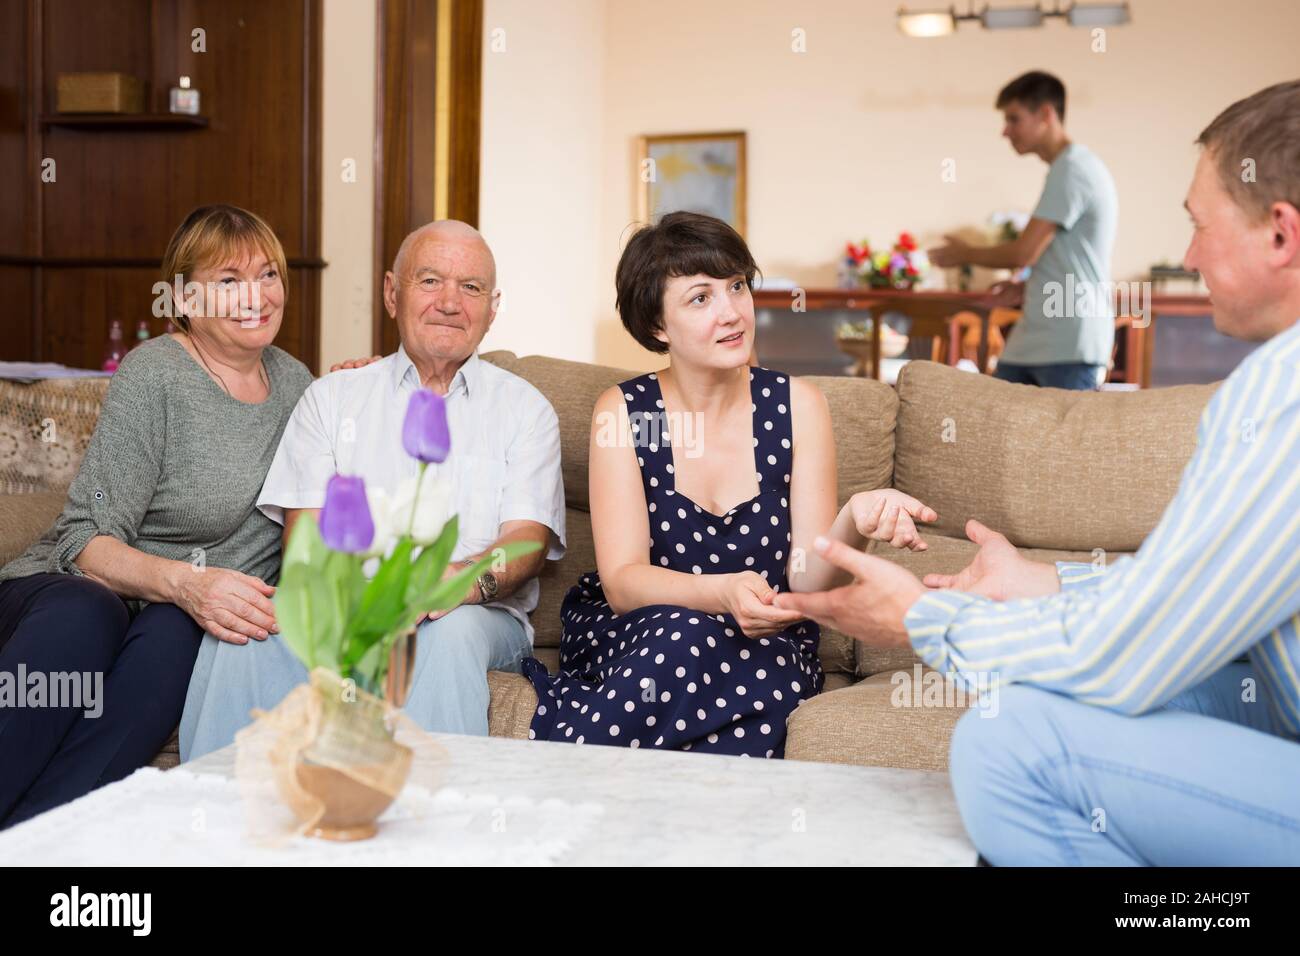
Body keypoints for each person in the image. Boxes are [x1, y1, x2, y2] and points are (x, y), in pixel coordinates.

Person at [774, 81, 1300, 865]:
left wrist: (919, 617)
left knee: (1012, 740)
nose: (1187, 257)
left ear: (1281, 235)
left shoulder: (1280, 390)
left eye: (1198, 226)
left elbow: (1130, 655)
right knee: (1052, 691)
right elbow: (1190, 597)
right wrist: (1048, 585)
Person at [522, 211, 937, 757]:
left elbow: (808, 583)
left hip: (765, 640)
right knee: (681, 638)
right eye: (701, 298)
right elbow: (623, 583)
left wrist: (854, 520)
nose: (732, 312)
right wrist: (719, 593)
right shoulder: (625, 413)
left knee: (766, 678)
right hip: (647, 632)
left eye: (737, 286)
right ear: (657, 326)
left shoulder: (799, 407)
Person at [180, 220, 566, 759]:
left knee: (442, 635)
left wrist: (454, 583)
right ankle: (221, 815)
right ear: (392, 293)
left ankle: (430, 827)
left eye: (471, 288)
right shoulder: (333, 398)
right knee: (250, 629)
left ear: (493, 307)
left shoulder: (526, 411)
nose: (450, 303)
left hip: (474, 611)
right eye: (430, 281)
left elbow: (524, 542)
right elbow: (305, 541)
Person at [0, 204, 313, 827]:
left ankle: (35, 839)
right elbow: (84, 540)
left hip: (175, 618)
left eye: (269, 273)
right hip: (76, 589)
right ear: (184, 299)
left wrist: (359, 383)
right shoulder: (156, 375)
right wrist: (189, 585)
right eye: (229, 280)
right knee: (91, 613)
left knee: (181, 635)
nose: (257, 294)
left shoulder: (302, 387)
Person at [929, 71, 1118, 391]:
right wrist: (1030, 286)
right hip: (1042, 337)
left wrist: (965, 253)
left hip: (1067, 342)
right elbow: (1062, 253)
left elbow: (1023, 252)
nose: (1005, 131)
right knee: (997, 428)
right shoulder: (1068, 168)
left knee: (1054, 440)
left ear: (1046, 114)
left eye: (1014, 119)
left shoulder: (1072, 168)